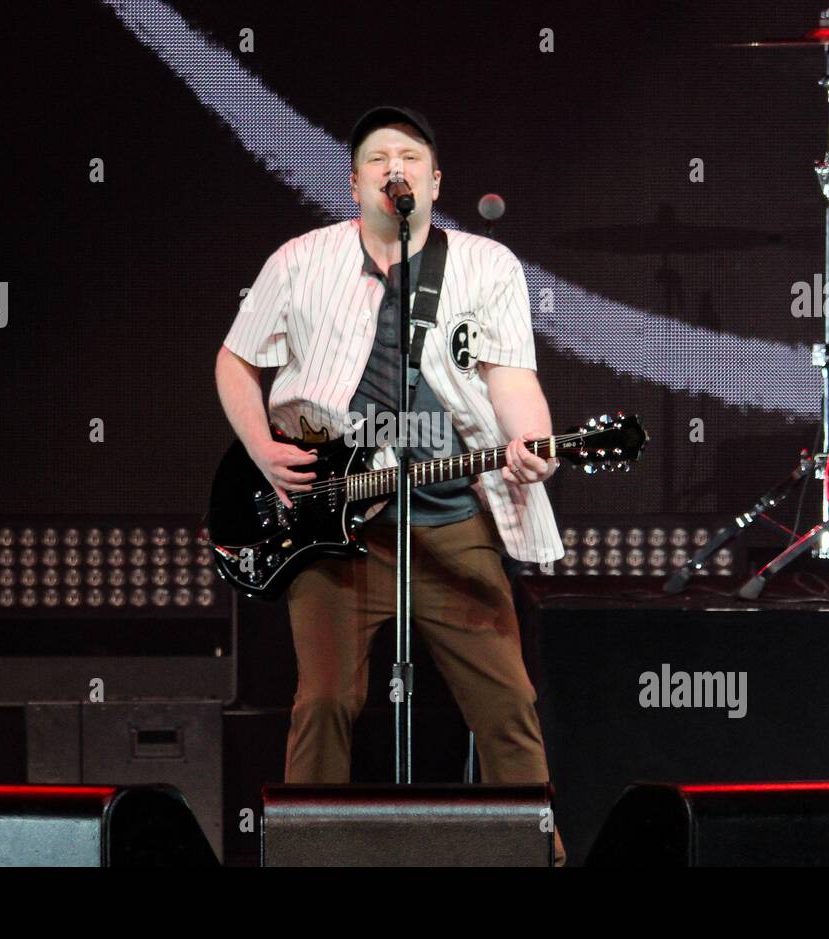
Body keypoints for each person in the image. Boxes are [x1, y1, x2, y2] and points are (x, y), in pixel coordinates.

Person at [215, 106, 567, 864]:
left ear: (435, 182)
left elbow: (512, 380)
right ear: (354, 185)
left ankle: (539, 858)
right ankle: (309, 858)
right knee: (325, 704)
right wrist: (262, 449)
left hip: (450, 523)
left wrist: (531, 441)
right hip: (333, 529)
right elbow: (236, 360)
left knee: (508, 704)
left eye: (409, 156)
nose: (393, 167)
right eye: (377, 158)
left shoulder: (486, 266)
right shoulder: (302, 260)